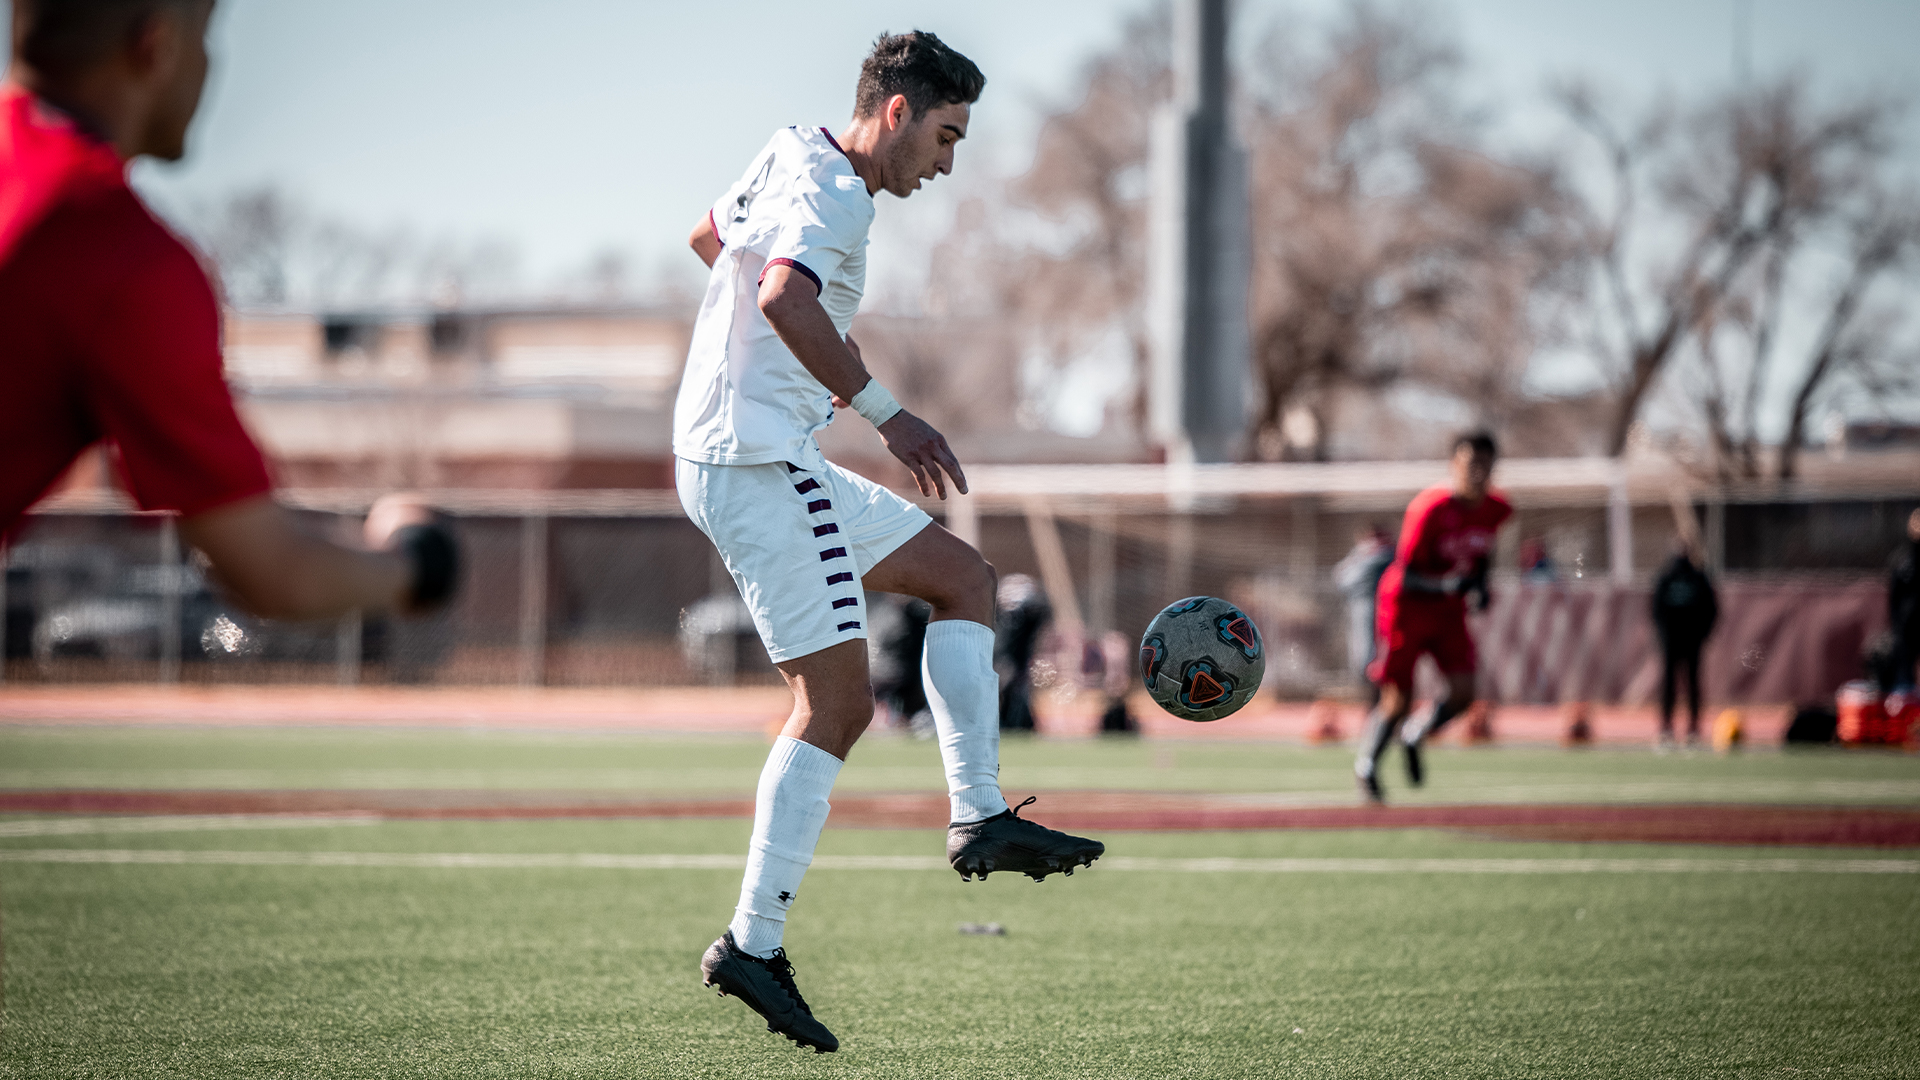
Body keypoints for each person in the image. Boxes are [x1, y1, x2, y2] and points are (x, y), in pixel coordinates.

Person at [676, 32, 1103, 1053]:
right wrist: (882, 410)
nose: (948, 165)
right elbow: (781, 293)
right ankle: (752, 944)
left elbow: (708, 241)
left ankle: (979, 814)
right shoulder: (838, 192)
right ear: (899, 111)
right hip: (756, 464)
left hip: (755, 451)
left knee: (964, 580)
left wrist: (786, 362)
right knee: (834, 705)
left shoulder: (791, 151)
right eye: (948, 137)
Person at [1, 0, 454, 621]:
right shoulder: (113, 249)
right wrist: (417, 559)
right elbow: (279, 577)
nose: (214, 67)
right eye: (208, 38)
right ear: (155, 47)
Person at [1355, 431, 1511, 804]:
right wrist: (1447, 586)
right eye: (1470, 462)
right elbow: (1405, 573)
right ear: (1453, 464)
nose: (1477, 471)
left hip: (1448, 612)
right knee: (1398, 699)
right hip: (1406, 608)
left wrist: (1481, 586)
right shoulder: (1429, 508)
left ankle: (1415, 734)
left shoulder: (1497, 508)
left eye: (1484, 463)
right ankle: (1368, 764)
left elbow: (1483, 551)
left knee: (1464, 692)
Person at [1650, 540, 1719, 747]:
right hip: (1671, 642)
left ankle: (1693, 728)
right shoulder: (1666, 578)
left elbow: (1712, 609)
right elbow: (1656, 611)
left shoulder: (1698, 578)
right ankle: (1666, 728)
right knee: (1669, 686)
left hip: (1692, 641)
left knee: (1693, 685)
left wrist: (1704, 634)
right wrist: (1663, 636)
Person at [1332, 524, 1393, 697]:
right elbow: (1341, 579)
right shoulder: (1361, 555)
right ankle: (1372, 695)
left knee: (1378, 655)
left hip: (1384, 608)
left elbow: (1347, 579)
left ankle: (1378, 696)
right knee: (1364, 654)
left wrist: (1365, 556)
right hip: (1362, 607)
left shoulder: (1385, 555)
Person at [994, 572, 1050, 731]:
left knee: (1016, 693)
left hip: (1017, 661)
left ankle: (1016, 724)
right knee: (1002, 689)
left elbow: (1042, 613)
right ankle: (1003, 723)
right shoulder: (1001, 619)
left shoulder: (1029, 620)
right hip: (1002, 660)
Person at [1881, 508, 1920, 693]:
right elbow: (1894, 599)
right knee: (1904, 679)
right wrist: (1897, 628)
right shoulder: (1903, 562)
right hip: (1907, 629)